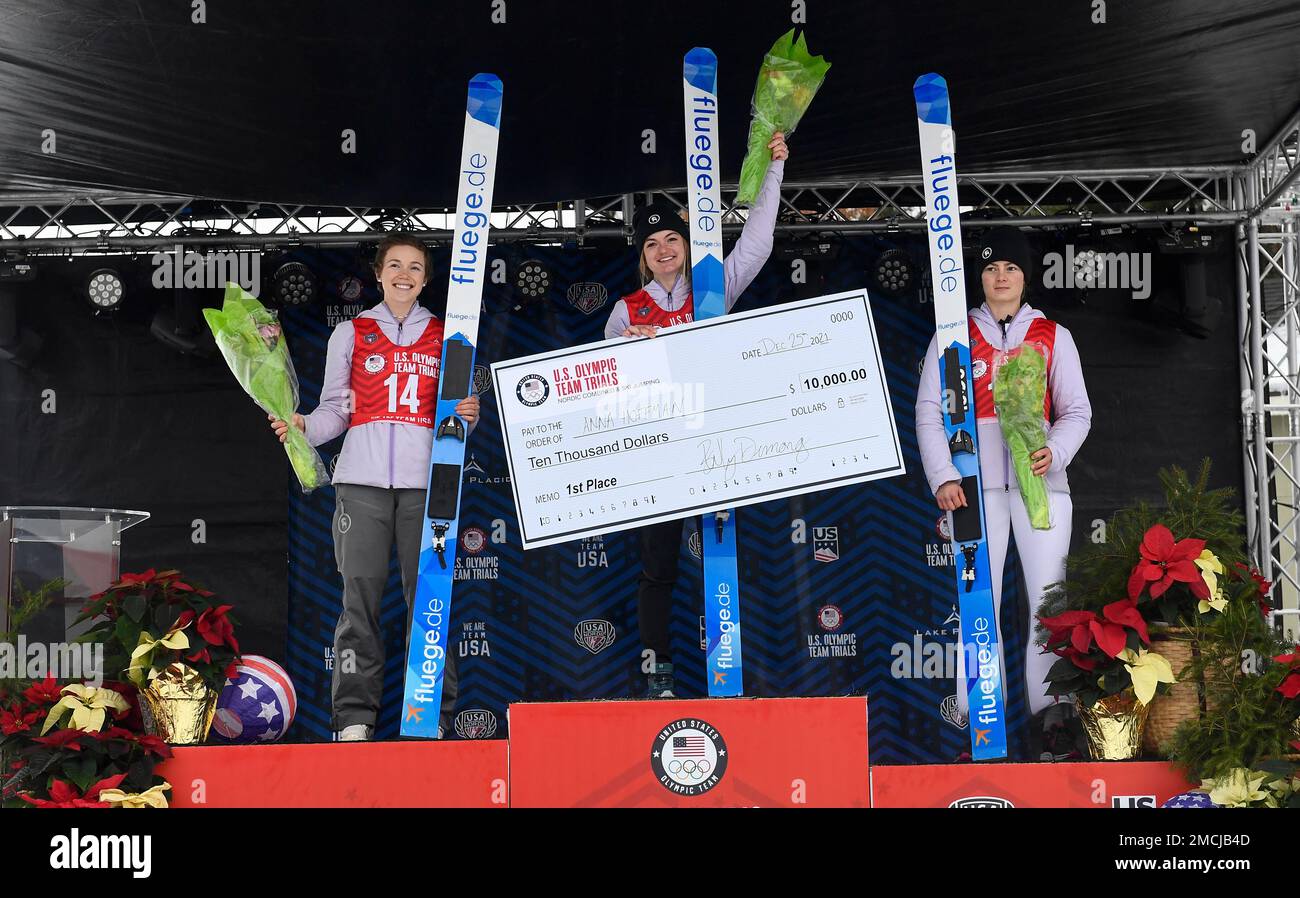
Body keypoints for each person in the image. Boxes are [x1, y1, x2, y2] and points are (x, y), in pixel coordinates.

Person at [271, 233, 479, 741]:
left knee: (428, 600)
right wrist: (303, 427)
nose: (404, 274)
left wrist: (468, 416)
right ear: (379, 274)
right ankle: (354, 718)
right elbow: (336, 410)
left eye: (414, 267)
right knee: (358, 602)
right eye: (395, 265)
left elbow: (455, 418)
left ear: (426, 279)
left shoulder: (450, 336)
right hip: (360, 484)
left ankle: (429, 715)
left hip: (427, 488)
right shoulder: (352, 332)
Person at [604, 132, 789, 698]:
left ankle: (726, 667)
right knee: (658, 565)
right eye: (653, 242)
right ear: (641, 254)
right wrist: (626, 354)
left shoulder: (711, 290)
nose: (664, 249)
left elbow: (755, 247)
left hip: (714, 445)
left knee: (722, 553)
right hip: (659, 454)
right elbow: (604, 393)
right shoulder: (625, 310)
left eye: (672, 238)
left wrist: (775, 171)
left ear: (686, 245)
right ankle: (658, 669)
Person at [915, 228, 1091, 759]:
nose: (1000, 277)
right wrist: (945, 475)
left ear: (1025, 276)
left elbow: (1078, 411)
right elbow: (928, 410)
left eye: (1011, 268)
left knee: (1047, 601)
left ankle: (1052, 722)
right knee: (977, 603)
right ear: (980, 277)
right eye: (991, 269)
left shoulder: (1053, 334)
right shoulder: (954, 334)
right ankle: (977, 719)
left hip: (1042, 488)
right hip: (974, 490)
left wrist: (1055, 452)